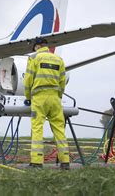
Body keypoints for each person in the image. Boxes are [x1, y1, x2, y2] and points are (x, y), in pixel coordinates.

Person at [24, 37, 69, 169]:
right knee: (59, 129)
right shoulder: (58, 59)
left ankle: (37, 162)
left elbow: (28, 80)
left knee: (37, 128)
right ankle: (65, 161)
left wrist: (28, 97)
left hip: (39, 98)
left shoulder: (34, 58)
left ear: (37, 47)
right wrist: (58, 96)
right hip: (55, 98)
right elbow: (62, 82)